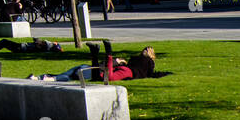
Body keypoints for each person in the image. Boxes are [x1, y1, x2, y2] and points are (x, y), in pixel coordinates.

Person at [30, 41, 158, 82]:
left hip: (97, 73)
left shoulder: (128, 71)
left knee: (72, 75)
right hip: (96, 70)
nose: (145, 51)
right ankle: (40, 78)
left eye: (147, 52)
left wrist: (110, 58)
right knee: (72, 72)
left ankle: (45, 78)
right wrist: (116, 61)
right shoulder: (125, 66)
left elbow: (110, 77)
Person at [0, 38, 64, 55]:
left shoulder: (46, 45)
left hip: (21, 48)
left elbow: (38, 42)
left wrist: (36, 40)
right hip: (21, 47)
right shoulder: (47, 46)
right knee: (4, 42)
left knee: (4, 42)